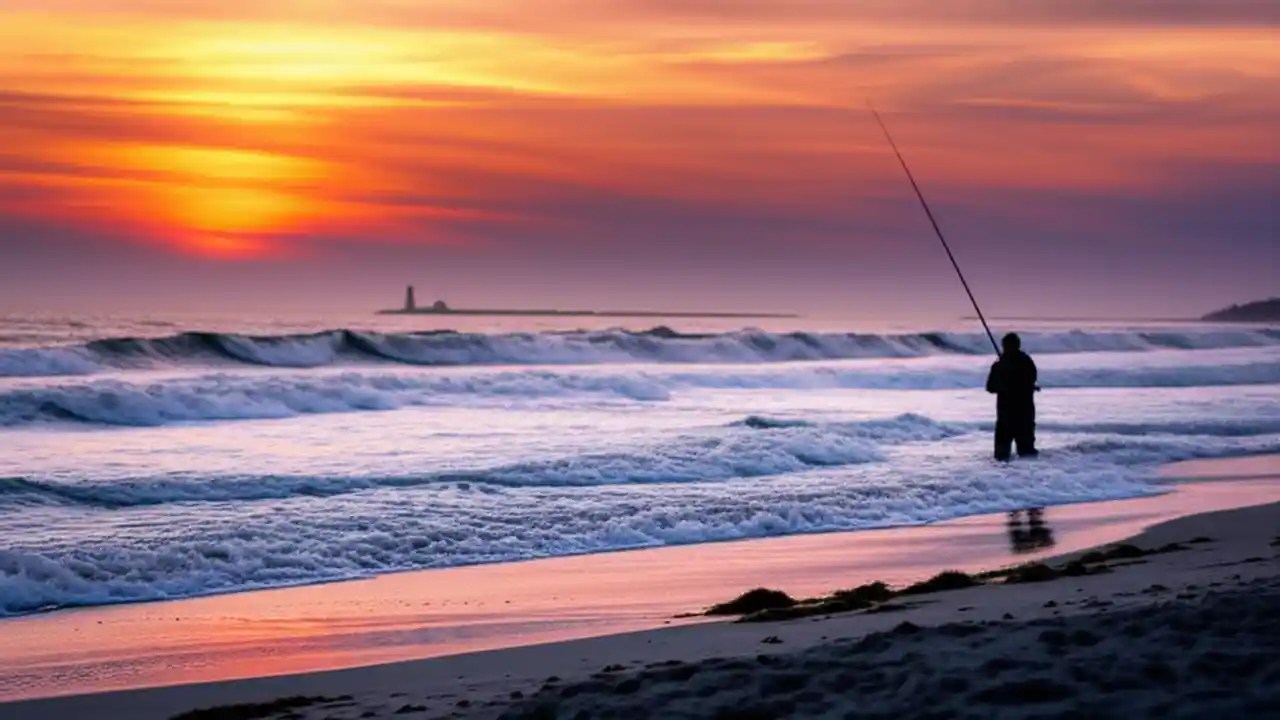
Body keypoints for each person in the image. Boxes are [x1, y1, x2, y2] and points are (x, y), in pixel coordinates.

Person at [986, 332, 1038, 461]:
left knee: (1002, 457)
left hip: (1005, 415)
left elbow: (990, 387)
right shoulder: (1027, 362)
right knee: (1027, 454)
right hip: (1024, 414)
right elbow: (1031, 380)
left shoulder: (999, 365)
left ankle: (1007, 480)